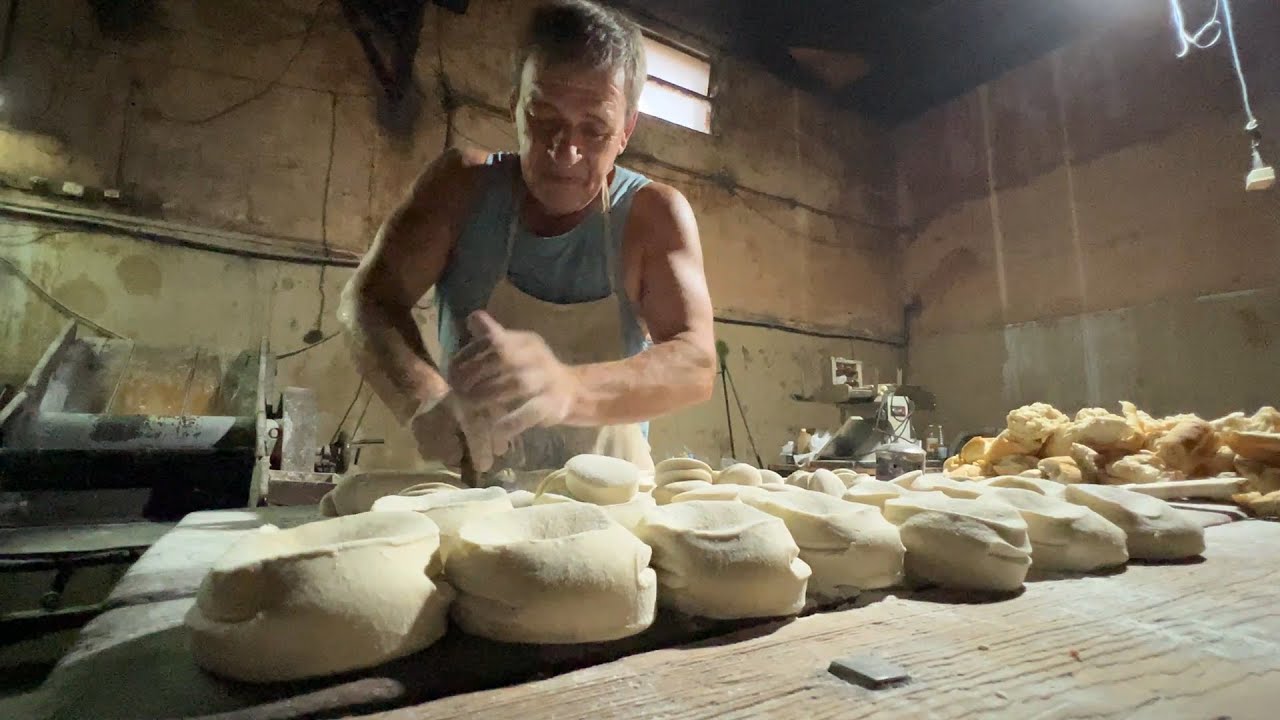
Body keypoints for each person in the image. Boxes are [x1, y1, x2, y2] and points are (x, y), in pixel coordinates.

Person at [339, 0, 716, 484]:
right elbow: (369, 300)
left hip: (615, 510)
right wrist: (424, 399)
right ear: (513, 102)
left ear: (626, 131)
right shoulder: (461, 190)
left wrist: (568, 388)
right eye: (544, 117)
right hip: (479, 503)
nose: (565, 151)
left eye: (594, 129)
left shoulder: (652, 215)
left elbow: (696, 362)